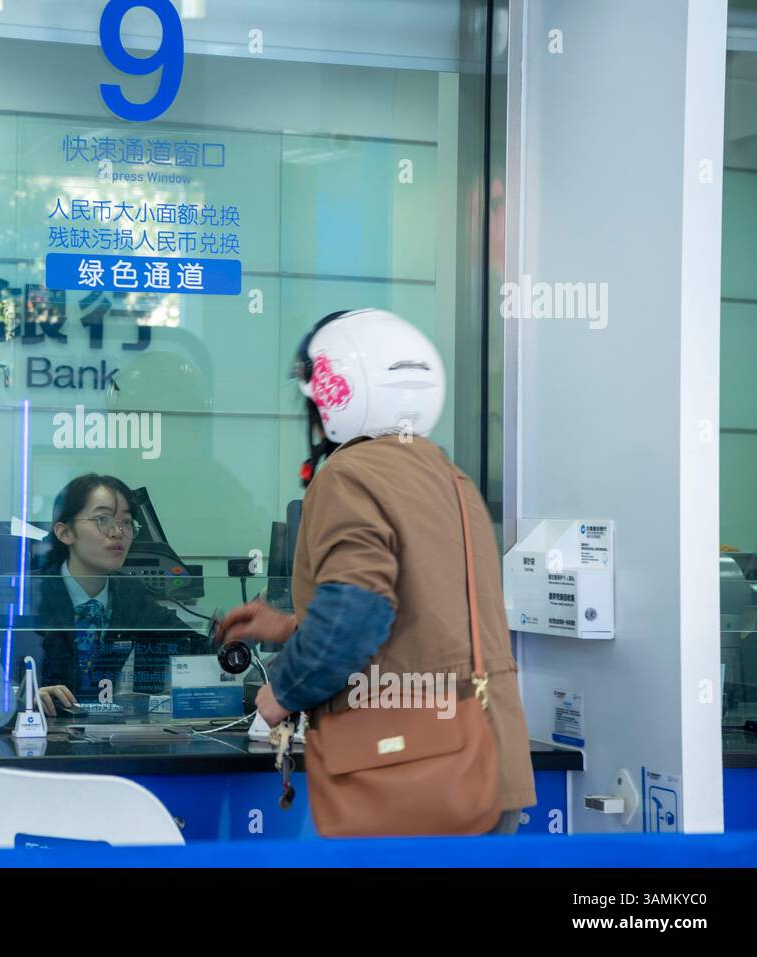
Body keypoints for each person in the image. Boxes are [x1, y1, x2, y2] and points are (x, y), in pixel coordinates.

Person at [216, 308, 535, 835]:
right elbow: (427, 619)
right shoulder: (447, 474)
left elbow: (354, 617)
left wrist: (283, 692)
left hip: (412, 769)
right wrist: (293, 627)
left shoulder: (350, 475)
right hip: (484, 761)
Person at [34, 473, 207, 716]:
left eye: (126, 522)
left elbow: (192, 645)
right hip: (39, 733)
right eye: (102, 519)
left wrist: (238, 629)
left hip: (108, 731)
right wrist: (22, 695)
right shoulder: (30, 592)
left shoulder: (130, 593)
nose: (117, 532)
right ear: (65, 533)